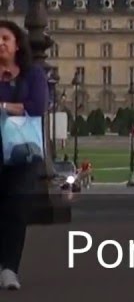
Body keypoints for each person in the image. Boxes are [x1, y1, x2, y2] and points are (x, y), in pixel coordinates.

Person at [0, 21, 45, 291]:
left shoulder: (33, 75)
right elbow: (26, 107)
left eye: (5, 38)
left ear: (17, 44)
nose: (1, 43)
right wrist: (16, 107)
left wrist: (3, 105)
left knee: (15, 211)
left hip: (21, 152)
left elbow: (37, 106)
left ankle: (9, 269)